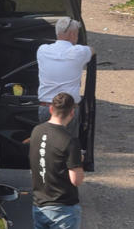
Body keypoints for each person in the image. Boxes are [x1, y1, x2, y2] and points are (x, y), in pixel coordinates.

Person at [29, 92, 85, 229]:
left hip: (39, 205)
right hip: (63, 208)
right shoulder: (70, 140)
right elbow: (76, 180)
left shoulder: (36, 131)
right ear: (72, 113)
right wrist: (79, 160)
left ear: (51, 109)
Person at [37, 18, 94, 138]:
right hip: (68, 110)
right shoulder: (79, 52)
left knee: (46, 146)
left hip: (45, 107)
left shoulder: (42, 50)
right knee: (67, 148)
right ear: (73, 34)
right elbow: (92, 51)